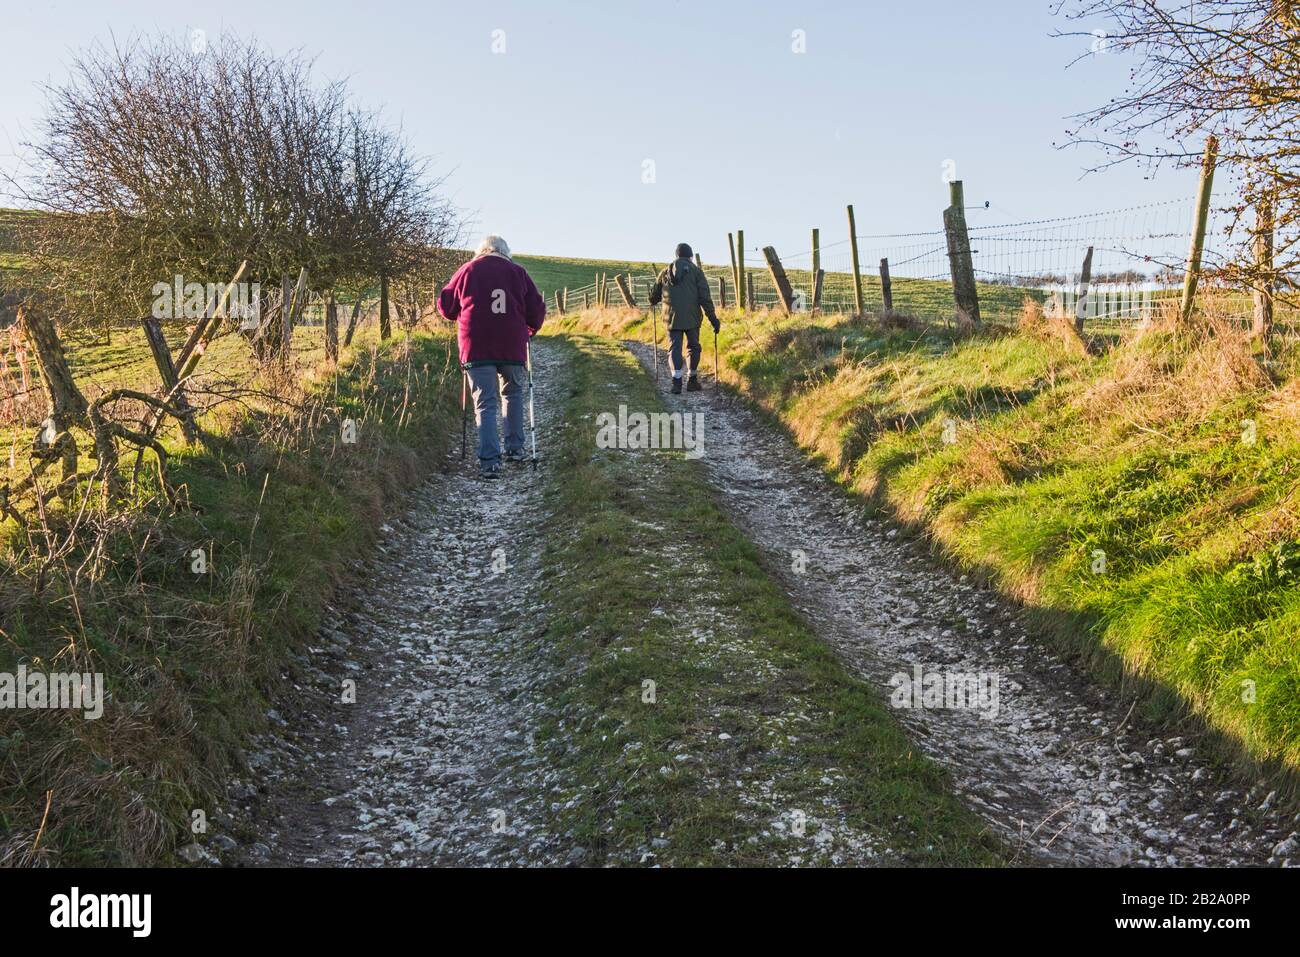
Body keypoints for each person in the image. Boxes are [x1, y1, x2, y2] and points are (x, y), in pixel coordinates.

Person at [438, 235, 546, 478]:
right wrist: (530, 330)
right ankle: (515, 449)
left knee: (484, 402)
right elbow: (537, 311)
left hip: (476, 346)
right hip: (512, 346)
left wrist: (460, 314)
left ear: (481, 251)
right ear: (505, 252)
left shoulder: (467, 270)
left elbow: (446, 305)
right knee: (513, 394)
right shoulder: (518, 272)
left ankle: (490, 462)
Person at [648, 242, 720, 394]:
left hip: (671, 317)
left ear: (676, 255)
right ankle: (692, 380)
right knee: (693, 347)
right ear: (691, 256)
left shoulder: (665, 272)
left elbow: (653, 297)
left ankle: (676, 382)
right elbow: (705, 297)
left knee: (674, 347)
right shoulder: (696, 272)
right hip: (692, 318)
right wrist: (713, 319)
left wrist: (653, 300)